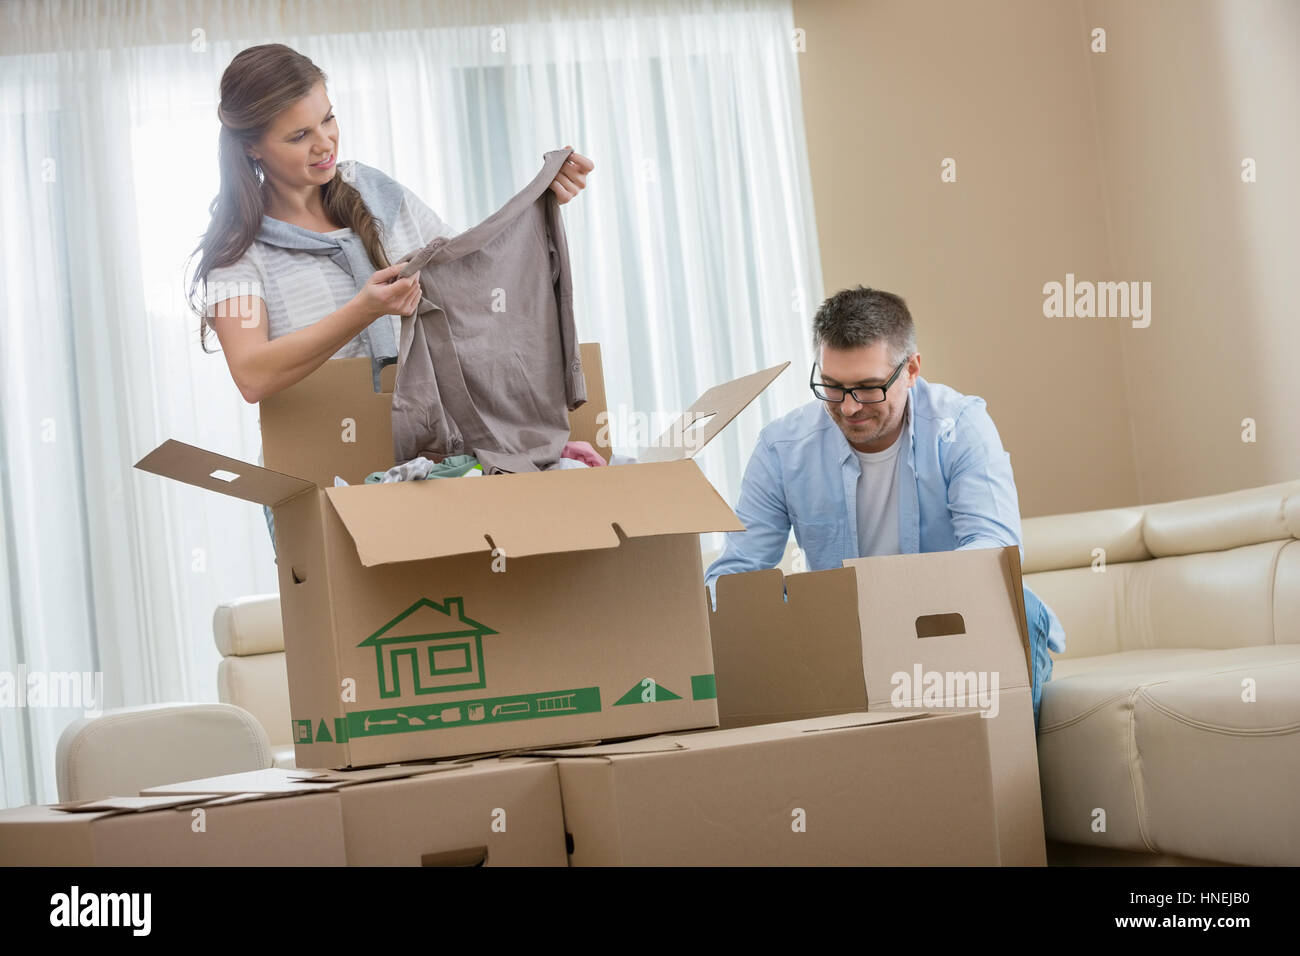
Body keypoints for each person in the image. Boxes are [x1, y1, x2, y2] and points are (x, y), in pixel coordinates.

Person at [185, 43, 594, 555]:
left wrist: (538, 204)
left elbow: (468, 270)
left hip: (430, 463)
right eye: (299, 135)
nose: (324, 143)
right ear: (252, 148)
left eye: (328, 119)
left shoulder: (371, 190)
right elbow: (252, 373)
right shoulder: (237, 251)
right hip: (320, 472)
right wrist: (364, 310)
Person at [704, 286, 1064, 730]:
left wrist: (895, 606)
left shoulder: (960, 426)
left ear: (911, 369)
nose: (849, 407)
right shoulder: (782, 448)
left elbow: (994, 550)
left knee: (1019, 610)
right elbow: (736, 573)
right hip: (844, 636)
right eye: (832, 388)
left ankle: (1004, 785)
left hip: (946, 623)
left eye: (868, 388)